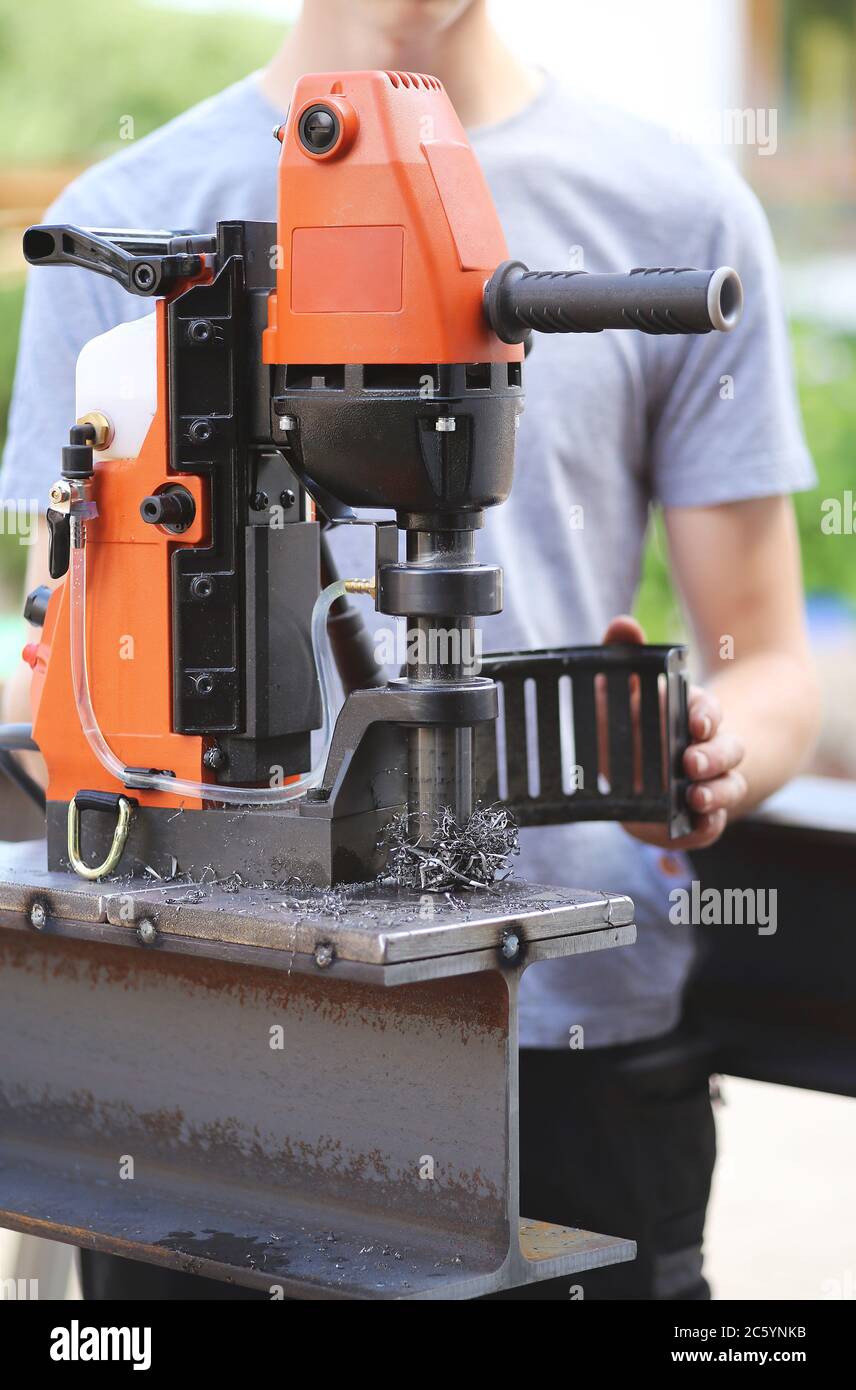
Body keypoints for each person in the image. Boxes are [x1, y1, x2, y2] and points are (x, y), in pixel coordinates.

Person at [0, 0, 819, 1299]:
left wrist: (720, 748)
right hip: (202, 1041)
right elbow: (62, 657)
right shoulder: (126, 218)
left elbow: (773, 660)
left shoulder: (680, 208)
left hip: (568, 1034)